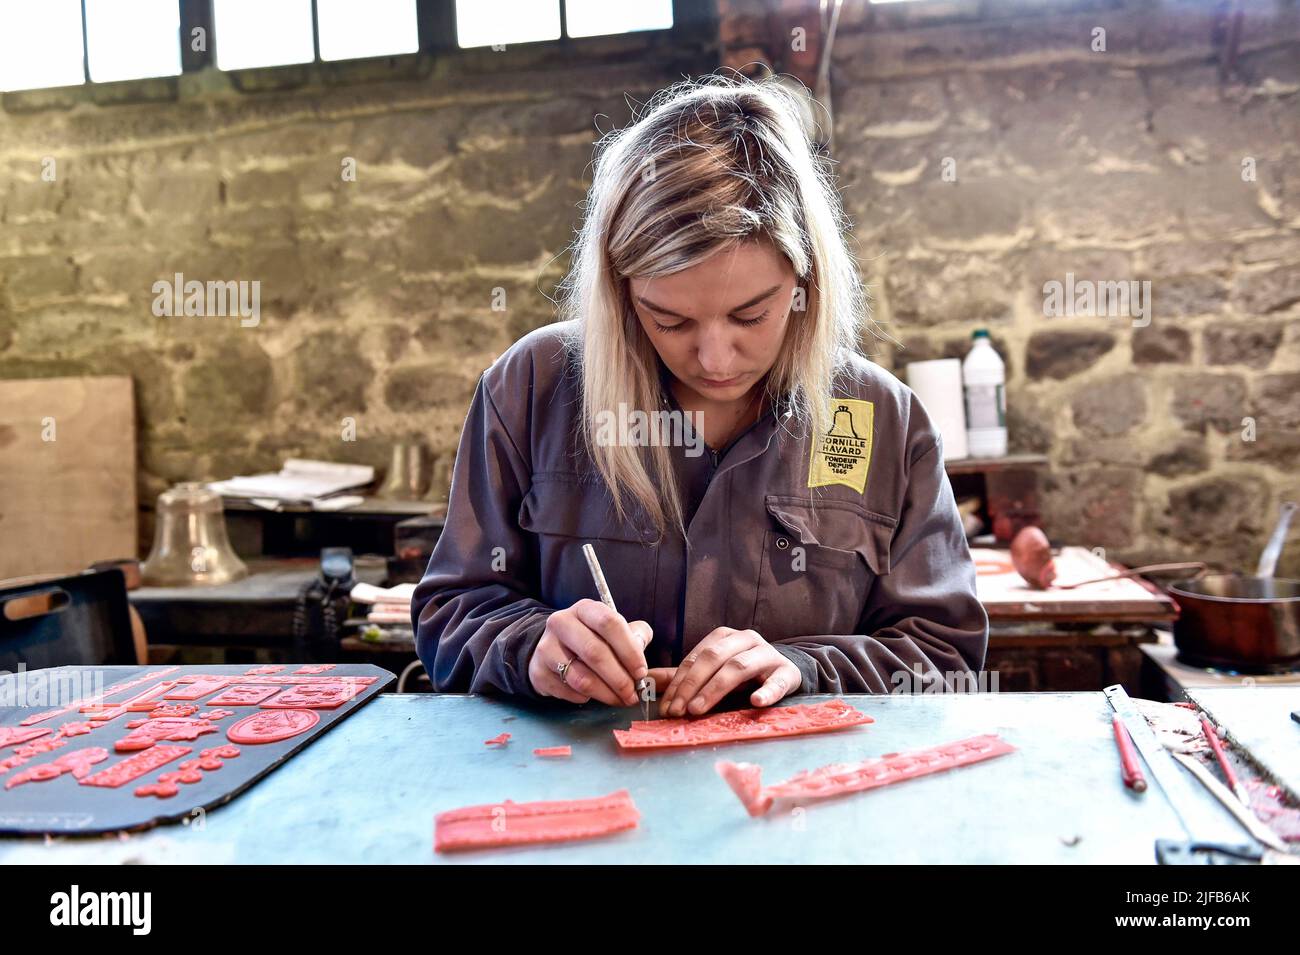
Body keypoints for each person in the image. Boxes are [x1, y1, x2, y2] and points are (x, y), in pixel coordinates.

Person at [410, 75, 988, 716]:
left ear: (805, 279)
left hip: (800, 797)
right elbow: (450, 615)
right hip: (578, 788)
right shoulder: (532, 386)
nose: (714, 360)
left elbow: (943, 657)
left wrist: (804, 668)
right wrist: (530, 648)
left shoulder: (881, 418)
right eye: (671, 321)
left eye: (751, 315)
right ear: (623, 293)